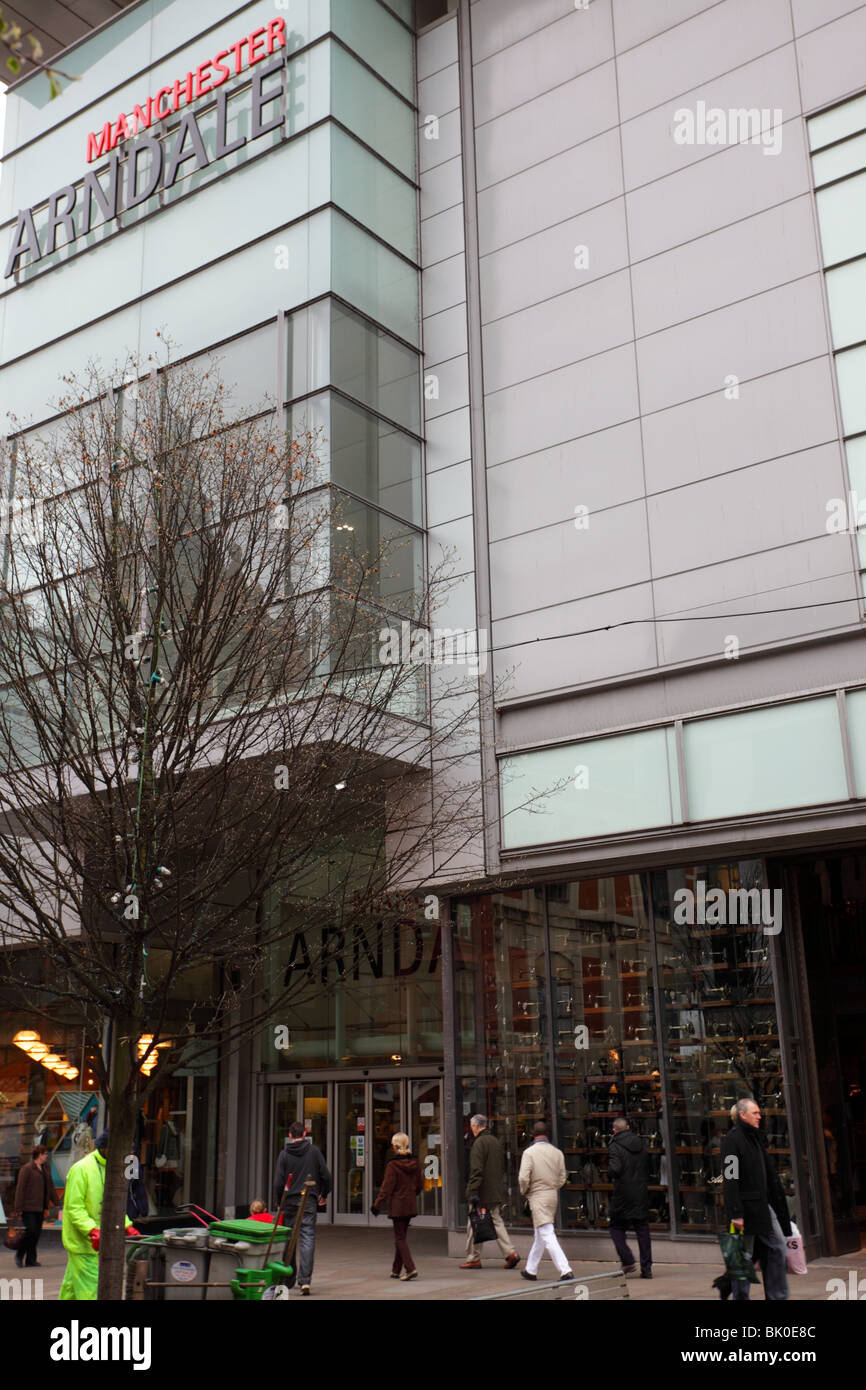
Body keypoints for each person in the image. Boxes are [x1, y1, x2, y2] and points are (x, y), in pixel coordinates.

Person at [722, 1097, 791, 1301]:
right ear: (742, 1115)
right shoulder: (732, 1141)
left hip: (763, 1207)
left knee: (777, 1246)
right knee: (742, 1256)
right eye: (755, 1113)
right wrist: (736, 1213)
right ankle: (740, 1296)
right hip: (743, 1211)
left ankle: (777, 1296)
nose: (760, 1116)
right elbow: (730, 1178)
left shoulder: (755, 1138)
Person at [60, 1131, 137, 1301]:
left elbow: (113, 1204)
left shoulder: (113, 1168)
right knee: (91, 1290)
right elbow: (74, 1207)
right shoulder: (81, 1169)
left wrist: (126, 1225)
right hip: (83, 1242)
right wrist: (91, 1230)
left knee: (71, 1289)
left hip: (97, 1240)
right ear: (107, 1148)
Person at [273, 1120, 331, 1295]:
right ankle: (305, 1281)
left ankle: (289, 1277)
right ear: (305, 1134)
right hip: (309, 1199)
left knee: (289, 1238)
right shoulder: (313, 1152)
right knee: (307, 1236)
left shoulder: (284, 1154)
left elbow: (278, 1182)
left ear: (290, 1136)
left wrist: (278, 1202)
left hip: (289, 1201)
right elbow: (326, 1175)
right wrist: (324, 1194)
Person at [460, 1113, 520, 1270]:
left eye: (472, 1126)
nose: (471, 1129)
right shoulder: (495, 1141)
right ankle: (510, 1253)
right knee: (495, 1220)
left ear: (475, 1126)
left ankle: (473, 1258)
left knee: (473, 1224)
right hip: (495, 1190)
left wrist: (472, 1191)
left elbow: (476, 1170)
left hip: (481, 1192)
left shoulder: (479, 1143)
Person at [518, 1120, 573, 1282]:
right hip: (552, 1195)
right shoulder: (557, 1152)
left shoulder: (529, 1153)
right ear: (546, 1134)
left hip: (537, 1195)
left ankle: (565, 1270)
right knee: (540, 1235)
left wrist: (525, 1191)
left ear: (533, 1135)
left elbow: (523, 1178)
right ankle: (530, 1269)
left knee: (547, 1233)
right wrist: (552, 1186)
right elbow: (562, 1177)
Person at [371, 1131, 423, 1280]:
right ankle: (395, 1269)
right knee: (401, 1236)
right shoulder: (415, 1162)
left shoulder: (392, 1165)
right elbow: (419, 1185)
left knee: (400, 1238)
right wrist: (412, 1194)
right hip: (410, 1204)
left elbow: (386, 1189)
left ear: (394, 1146)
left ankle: (410, 1268)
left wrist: (377, 1205)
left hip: (398, 1206)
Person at [607, 1117, 652, 1278]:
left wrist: (609, 1172)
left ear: (615, 1130)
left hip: (623, 1193)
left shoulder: (615, 1146)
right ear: (627, 1127)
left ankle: (627, 1260)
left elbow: (615, 1169)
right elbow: (648, 1164)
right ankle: (646, 1268)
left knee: (616, 1227)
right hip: (640, 1190)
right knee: (642, 1229)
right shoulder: (640, 1143)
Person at [12, 1144, 59, 1269]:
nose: (46, 1156)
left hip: (40, 1206)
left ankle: (31, 1260)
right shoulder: (27, 1169)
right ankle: (19, 1254)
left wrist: (57, 1202)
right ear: (39, 1155)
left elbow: (50, 1187)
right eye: (45, 1154)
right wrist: (18, 1208)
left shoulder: (45, 1168)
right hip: (28, 1207)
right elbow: (20, 1189)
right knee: (31, 1231)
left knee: (36, 1233)